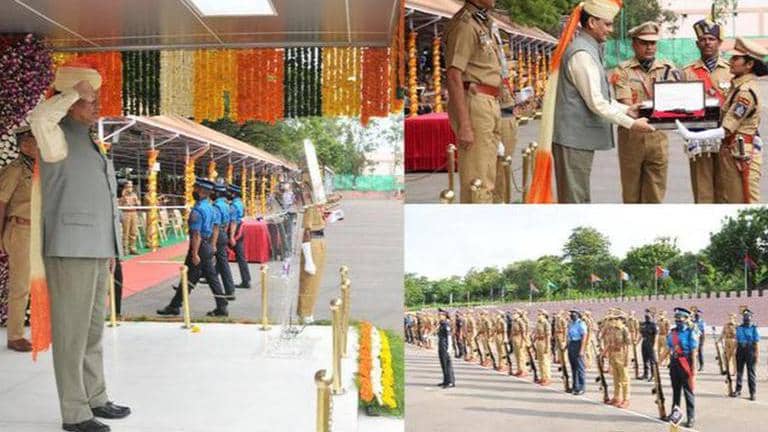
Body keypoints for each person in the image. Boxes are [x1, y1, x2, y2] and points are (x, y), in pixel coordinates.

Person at [29, 62, 130, 432]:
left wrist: (111, 249)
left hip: (95, 248)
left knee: (92, 331)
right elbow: (38, 116)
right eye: (89, 101)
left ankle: (96, 396)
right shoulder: (53, 133)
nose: (96, 106)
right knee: (71, 335)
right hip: (70, 249)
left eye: (95, 99)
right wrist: (73, 91)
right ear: (70, 103)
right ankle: (74, 412)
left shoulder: (89, 139)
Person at [551, 0, 654, 203]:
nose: (611, 30)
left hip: (577, 139)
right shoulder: (582, 54)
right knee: (575, 199)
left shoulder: (590, 50)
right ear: (591, 22)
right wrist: (632, 124)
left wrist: (628, 110)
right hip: (573, 139)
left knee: (578, 196)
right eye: (607, 24)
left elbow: (597, 97)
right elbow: (596, 102)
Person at [678, 37, 766, 203]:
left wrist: (693, 135)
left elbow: (726, 129)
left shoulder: (745, 92)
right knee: (731, 199)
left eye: (736, 58)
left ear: (749, 65)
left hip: (741, 154)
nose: (731, 61)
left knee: (744, 202)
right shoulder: (738, 86)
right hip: (733, 151)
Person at [444, 0, 504, 203]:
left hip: (489, 102)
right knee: (477, 181)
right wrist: (465, 124)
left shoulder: (483, 22)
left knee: (489, 177)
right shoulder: (465, 25)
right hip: (476, 102)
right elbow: (454, 75)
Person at [612, 22, 677, 203]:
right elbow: (628, 106)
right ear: (634, 44)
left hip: (658, 138)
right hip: (631, 138)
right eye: (644, 42)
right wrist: (658, 105)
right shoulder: (622, 70)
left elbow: (674, 102)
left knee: (655, 194)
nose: (650, 47)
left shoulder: (668, 69)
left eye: (653, 43)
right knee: (631, 194)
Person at [157, 177, 229, 317]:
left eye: (195, 188)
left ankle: (176, 306)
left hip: (199, 247)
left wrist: (195, 253)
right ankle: (220, 305)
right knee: (199, 277)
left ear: (202, 191)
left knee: (191, 276)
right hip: (207, 246)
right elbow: (216, 228)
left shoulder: (197, 210)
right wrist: (213, 246)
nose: (193, 190)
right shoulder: (211, 208)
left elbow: (196, 235)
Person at [680, 19, 733, 203]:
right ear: (697, 43)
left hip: (726, 138)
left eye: (711, 38)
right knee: (702, 191)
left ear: (719, 42)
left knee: (725, 190)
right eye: (703, 39)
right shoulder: (687, 72)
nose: (707, 42)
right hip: (699, 136)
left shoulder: (731, 71)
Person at [0, 127, 36, 352]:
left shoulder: (37, 168)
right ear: (24, 144)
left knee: (35, 283)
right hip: (20, 230)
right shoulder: (14, 170)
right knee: (20, 285)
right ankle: (15, 336)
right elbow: (1, 203)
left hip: (35, 231)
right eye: (34, 140)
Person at [297, 184, 327, 323]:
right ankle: (305, 313)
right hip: (312, 243)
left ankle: (309, 311)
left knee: (315, 281)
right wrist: (308, 260)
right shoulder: (310, 208)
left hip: (320, 240)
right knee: (308, 281)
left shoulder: (318, 206)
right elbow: (306, 233)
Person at [663, 307, 698, 428]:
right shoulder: (673, 333)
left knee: (688, 391)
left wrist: (693, 369)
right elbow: (668, 348)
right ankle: (675, 414)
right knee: (676, 390)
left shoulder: (690, 332)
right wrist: (659, 361)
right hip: (674, 363)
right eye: (676, 318)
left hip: (686, 363)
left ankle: (691, 417)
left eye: (680, 318)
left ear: (686, 319)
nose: (678, 320)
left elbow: (694, 351)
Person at [212, 181, 236, 300]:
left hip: (217, 235)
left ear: (216, 193)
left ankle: (229, 291)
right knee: (221, 263)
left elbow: (215, 226)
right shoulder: (227, 205)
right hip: (223, 233)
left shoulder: (216, 206)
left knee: (222, 264)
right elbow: (228, 222)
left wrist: (213, 243)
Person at [603, 312, 631, 408]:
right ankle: (616, 397)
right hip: (613, 355)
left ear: (621, 320)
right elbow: (609, 343)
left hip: (621, 355)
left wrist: (627, 358)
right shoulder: (612, 330)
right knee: (616, 378)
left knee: (624, 379)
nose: (614, 321)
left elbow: (627, 346)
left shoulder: (624, 330)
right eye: (612, 319)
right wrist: (603, 354)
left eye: (616, 319)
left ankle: (626, 399)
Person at [227, 184, 251, 289]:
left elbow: (233, 222)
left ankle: (210, 275)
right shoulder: (240, 203)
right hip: (240, 231)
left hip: (235, 232)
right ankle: (246, 280)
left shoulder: (233, 206)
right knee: (225, 254)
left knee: (222, 254)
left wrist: (231, 236)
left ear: (233, 193)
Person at [734, 308, 759, 400]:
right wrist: (734, 352)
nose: (746, 318)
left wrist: (756, 355)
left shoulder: (754, 328)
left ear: (751, 318)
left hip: (750, 350)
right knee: (739, 372)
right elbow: (737, 341)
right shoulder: (739, 328)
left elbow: (756, 342)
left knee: (751, 373)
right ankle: (738, 390)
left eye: (748, 317)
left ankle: (752, 393)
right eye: (744, 317)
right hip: (740, 350)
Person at [567, 309, 588, 395]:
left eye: (574, 313)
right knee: (573, 367)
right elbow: (569, 335)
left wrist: (582, 349)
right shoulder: (571, 323)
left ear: (578, 314)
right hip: (572, 344)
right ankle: (575, 386)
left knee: (580, 367)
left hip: (578, 344)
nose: (572, 314)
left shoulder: (581, 324)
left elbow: (584, 336)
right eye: (571, 313)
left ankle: (582, 387)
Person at [118, 181, 140, 255]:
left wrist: (136, 202)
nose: (130, 188)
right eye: (128, 187)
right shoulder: (122, 195)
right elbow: (119, 204)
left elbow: (138, 204)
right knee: (126, 232)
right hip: (126, 213)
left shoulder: (134, 194)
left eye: (131, 186)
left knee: (133, 231)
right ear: (125, 187)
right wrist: (124, 197)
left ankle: (132, 248)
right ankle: (125, 249)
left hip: (133, 212)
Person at [437, 309, 456, 388]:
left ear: (444, 316)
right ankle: (445, 381)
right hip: (441, 345)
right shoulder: (441, 324)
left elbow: (449, 336)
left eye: (440, 315)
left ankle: (451, 381)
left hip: (445, 346)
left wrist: (450, 347)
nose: (439, 316)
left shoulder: (446, 324)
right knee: (443, 363)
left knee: (447, 364)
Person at [639, 308, 659, 382]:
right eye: (646, 313)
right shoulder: (643, 324)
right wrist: (637, 342)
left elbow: (656, 335)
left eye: (648, 313)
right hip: (644, 343)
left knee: (652, 360)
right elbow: (641, 334)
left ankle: (653, 375)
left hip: (651, 343)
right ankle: (645, 374)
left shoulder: (654, 325)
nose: (646, 315)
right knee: (645, 359)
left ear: (652, 315)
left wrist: (655, 345)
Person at [533, 310, 552, 385]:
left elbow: (548, 336)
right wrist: (533, 342)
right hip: (538, 342)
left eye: (540, 314)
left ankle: (547, 378)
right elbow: (536, 333)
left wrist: (547, 346)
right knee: (540, 361)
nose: (538, 315)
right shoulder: (538, 323)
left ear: (544, 315)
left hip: (544, 342)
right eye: (538, 314)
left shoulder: (546, 323)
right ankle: (542, 377)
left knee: (545, 361)